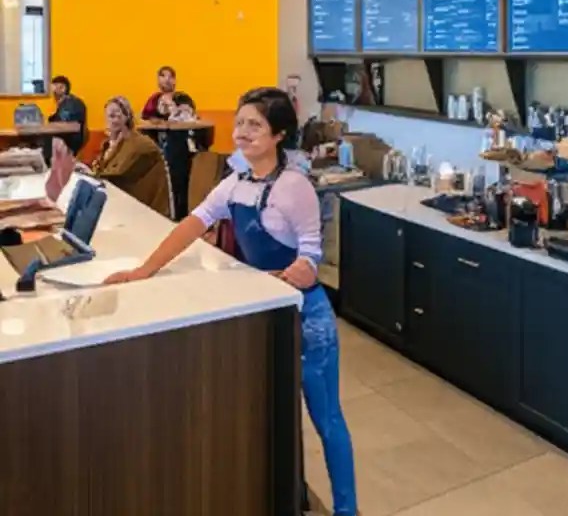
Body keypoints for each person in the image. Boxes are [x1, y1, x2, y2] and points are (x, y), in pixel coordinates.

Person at [104, 87, 358, 515]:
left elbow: (312, 257)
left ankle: (348, 509)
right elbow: (192, 224)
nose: (242, 132)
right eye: (240, 123)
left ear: (279, 134)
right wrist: (144, 269)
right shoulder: (234, 184)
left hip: (308, 319)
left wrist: (300, 271)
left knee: (327, 420)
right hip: (265, 314)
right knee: (273, 418)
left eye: (254, 125)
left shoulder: (295, 188)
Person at [90, 96, 171, 218]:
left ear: (127, 117)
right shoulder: (111, 143)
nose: (113, 121)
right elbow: (100, 170)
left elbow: (116, 176)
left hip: (150, 212)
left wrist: (91, 174)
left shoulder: (141, 144)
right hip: (128, 204)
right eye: (109, 117)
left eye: (116, 116)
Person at [47, 74, 87, 156]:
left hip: (69, 143)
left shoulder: (70, 104)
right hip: (70, 142)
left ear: (63, 88)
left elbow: (62, 125)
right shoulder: (68, 103)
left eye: (54, 91)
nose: (53, 95)